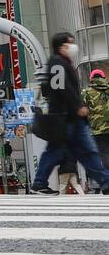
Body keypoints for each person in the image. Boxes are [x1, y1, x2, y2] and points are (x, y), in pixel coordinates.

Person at [32, 33, 109, 194]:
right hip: (65, 116)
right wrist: (77, 106)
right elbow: (62, 88)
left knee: (86, 152)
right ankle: (39, 183)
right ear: (62, 46)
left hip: (70, 118)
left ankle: (105, 182)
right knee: (59, 151)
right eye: (70, 44)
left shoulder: (60, 63)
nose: (73, 47)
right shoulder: (58, 63)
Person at [86, 68, 109, 187]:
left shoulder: (87, 92)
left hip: (98, 129)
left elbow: (82, 109)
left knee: (104, 153)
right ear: (104, 78)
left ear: (91, 79)